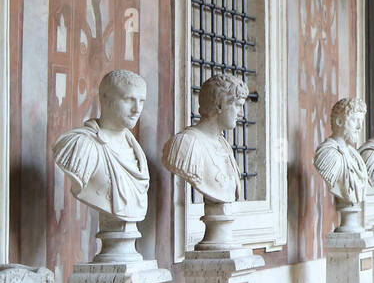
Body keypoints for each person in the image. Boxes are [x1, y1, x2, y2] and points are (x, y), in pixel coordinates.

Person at [53, 69, 150, 221]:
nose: (137, 109)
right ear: (105, 99)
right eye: (128, 99)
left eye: (141, 101)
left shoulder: (137, 152)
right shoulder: (81, 146)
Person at [162, 72, 247, 202]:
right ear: (219, 104)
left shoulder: (224, 145)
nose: (241, 114)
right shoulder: (186, 143)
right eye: (237, 105)